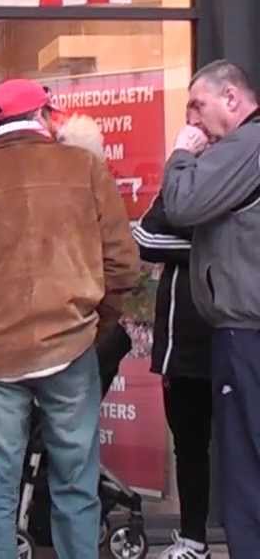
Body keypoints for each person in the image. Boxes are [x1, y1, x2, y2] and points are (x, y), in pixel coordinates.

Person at [0, 79, 139, 559]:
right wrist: (94, 326)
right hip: (71, 346)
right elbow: (123, 265)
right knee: (76, 483)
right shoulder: (84, 167)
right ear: (43, 115)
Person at [158, 60, 260, 557]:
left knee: (244, 461)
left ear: (232, 98)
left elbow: (181, 205)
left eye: (198, 105)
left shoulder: (245, 145)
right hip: (245, 326)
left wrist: (181, 155)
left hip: (245, 330)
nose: (192, 119)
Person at [133, 189, 213, 559]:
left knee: (246, 445)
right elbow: (146, 239)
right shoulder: (185, 179)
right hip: (183, 345)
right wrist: (215, 248)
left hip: (240, 337)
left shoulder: (245, 172)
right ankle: (194, 540)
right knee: (189, 447)